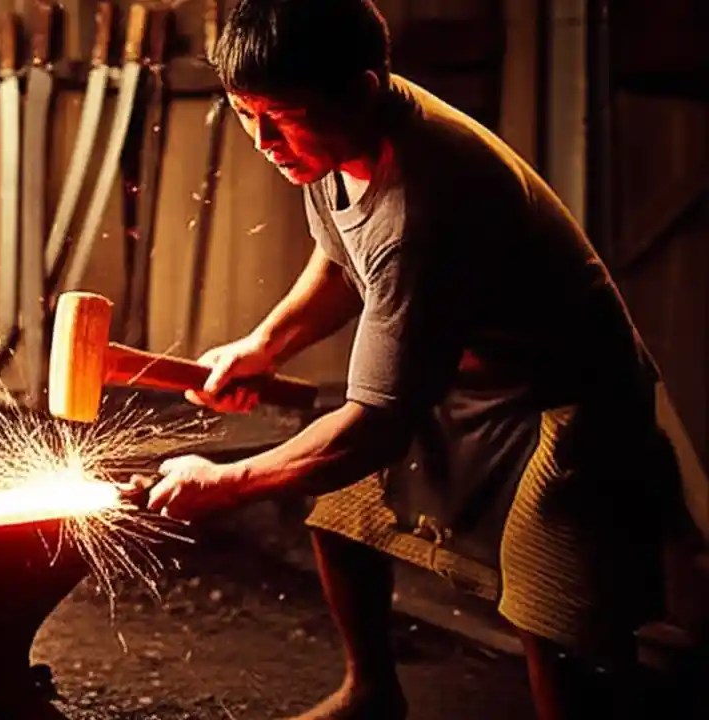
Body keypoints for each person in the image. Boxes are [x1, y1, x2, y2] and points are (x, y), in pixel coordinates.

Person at [142, 1, 683, 718]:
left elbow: (374, 428)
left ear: (362, 89)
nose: (264, 140)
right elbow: (342, 260)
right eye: (245, 113)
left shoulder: (427, 200)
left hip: (569, 401)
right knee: (340, 512)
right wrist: (262, 345)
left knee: (556, 615)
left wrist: (227, 482)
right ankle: (371, 693)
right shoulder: (333, 141)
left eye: (282, 114)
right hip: (464, 381)